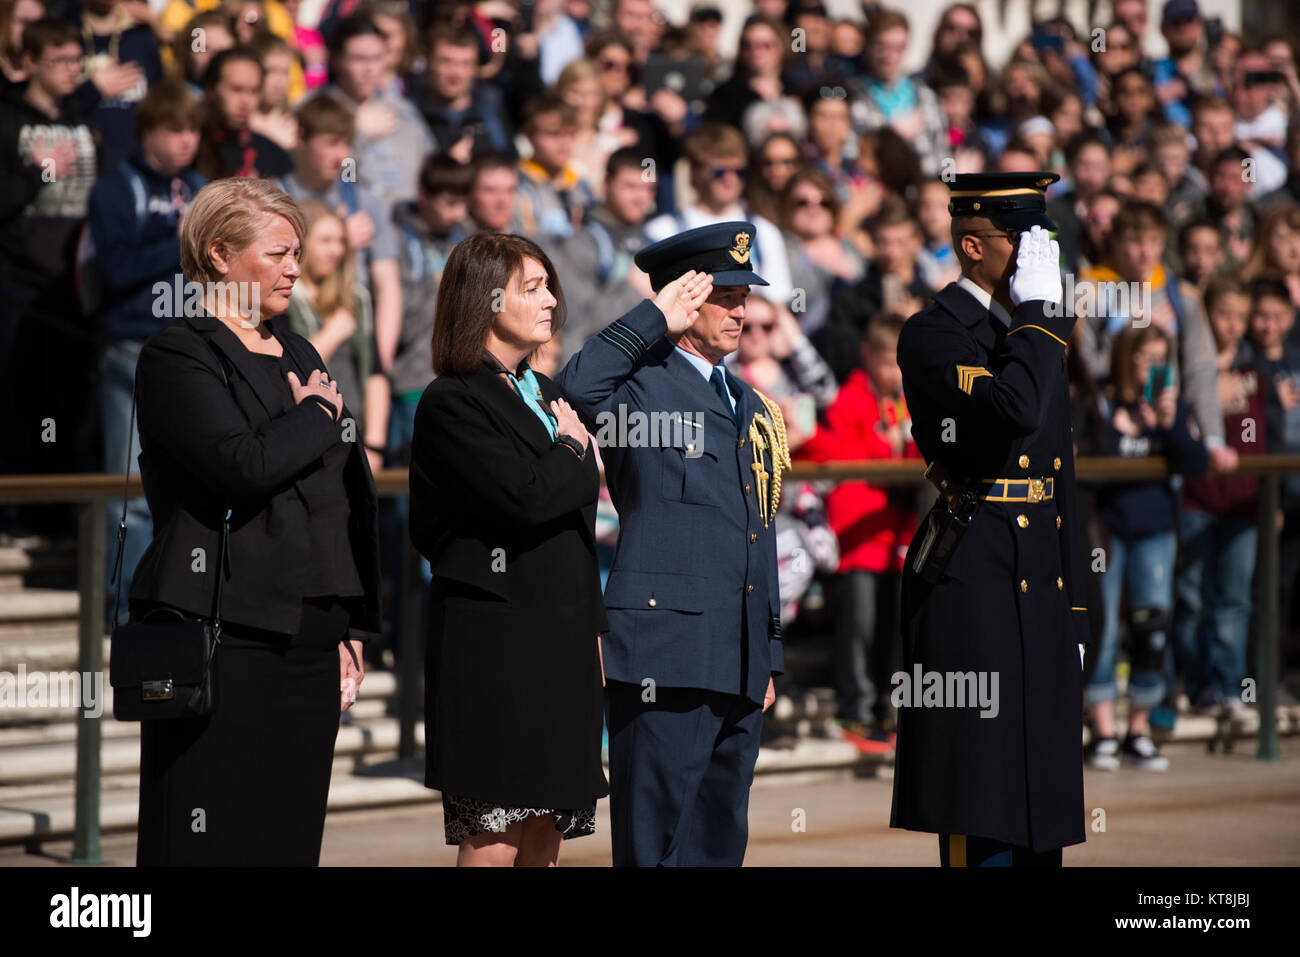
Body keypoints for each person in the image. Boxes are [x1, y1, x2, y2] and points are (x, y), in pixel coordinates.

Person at [129, 177, 383, 865]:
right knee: (207, 836)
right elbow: (241, 465)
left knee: (288, 837)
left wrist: (350, 623)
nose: (296, 268)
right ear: (219, 253)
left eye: (297, 252)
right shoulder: (179, 352)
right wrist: (314, 415)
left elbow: (340, 494)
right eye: (278, 253)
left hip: (311, 633)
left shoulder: (300, 350)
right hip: (225, 632)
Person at [556, 221, 784, 866]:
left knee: (718, 840)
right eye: (726, 297)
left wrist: (766, 645)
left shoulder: (745, 399)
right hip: (665, 649)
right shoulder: (639, 382)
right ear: (683, 299)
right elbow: (575, 388)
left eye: (745, 298)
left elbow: (757, 531)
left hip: (737, 653)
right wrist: (651, 318)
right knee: (656, 842)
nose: (742, 310)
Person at [892, 172, 1089, 866]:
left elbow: (1058, 474)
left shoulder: (1029, 326)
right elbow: (1014, 410)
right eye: (1021, 239)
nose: (1037, 255)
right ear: (973, 246)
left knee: (1041, 803)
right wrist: (1038, 317)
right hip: (974, 575)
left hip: (1038, 578)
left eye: (1044, 240)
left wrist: (1078, 614)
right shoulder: (935, 333)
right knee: (981, 793)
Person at [407, 231, 608, 865]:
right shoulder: (452, 400)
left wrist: (594, 635)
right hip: (495, 645)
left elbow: (568, 515)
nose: (551, 299)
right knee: (494, 838)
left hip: (564, 636)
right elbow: (527, 497)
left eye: (550, 284)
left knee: (546, 834)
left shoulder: (549, 395)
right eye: (533, 287)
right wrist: (574, 450)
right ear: (485, 300)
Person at [88, 79, 205, 624]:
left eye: (194, 130)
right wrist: (177, 240)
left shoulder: (201, 186)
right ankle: (124, 615)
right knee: (129, 490)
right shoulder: (118, 187)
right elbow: (114, 270)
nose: (187, 141)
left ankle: (181, 605)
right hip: (132, 349)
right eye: (175, 129)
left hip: (193, 351)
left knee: (192, 484)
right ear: (148, 132)